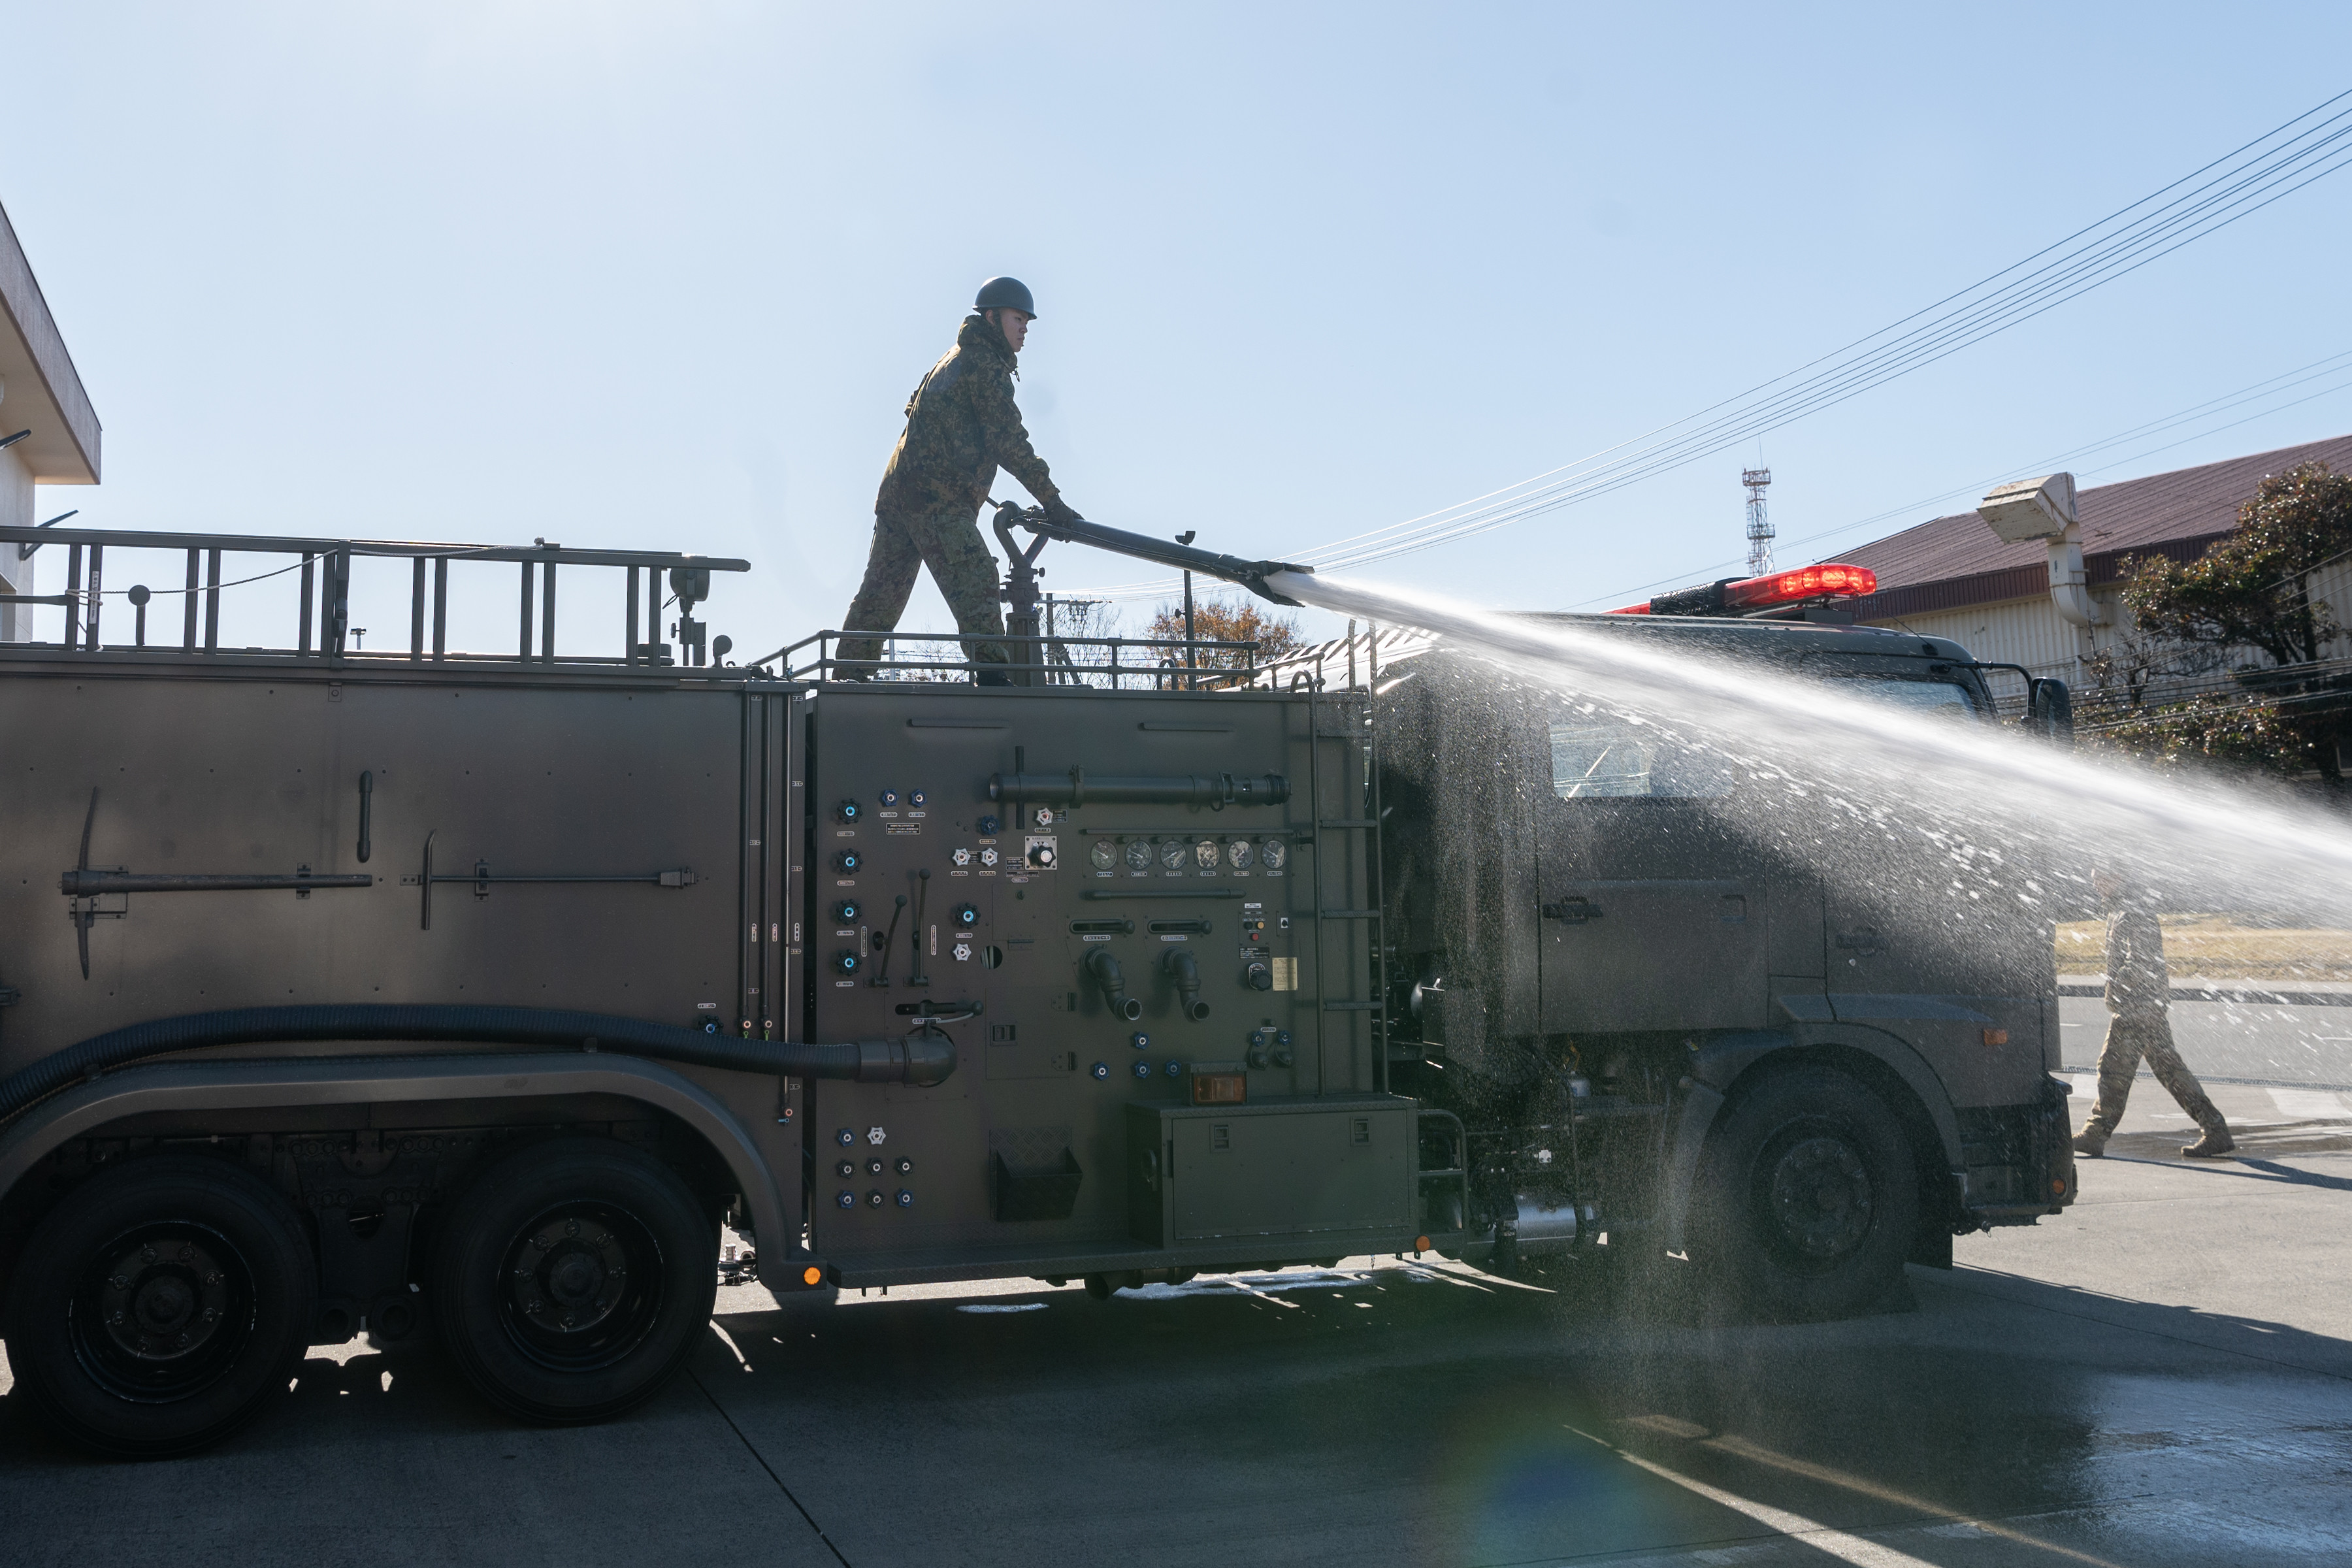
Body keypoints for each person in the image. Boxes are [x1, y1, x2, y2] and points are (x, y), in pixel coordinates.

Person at [836, 276, 1084, 682]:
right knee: (975, 573)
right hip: (935, 497)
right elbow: (1008, 440)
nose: (1024, 328)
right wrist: (1053, 501)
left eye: (1028, 321)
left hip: (902, 493)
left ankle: (848, 675)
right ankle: (991, 677)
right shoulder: (984, 363)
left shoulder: (955, 358)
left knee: (882, 593)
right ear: (992, 317)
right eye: (1018, 318)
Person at [2073, 867, 2234, 1160]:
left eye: (2100, 877)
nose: (2094, 883)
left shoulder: (2133, 911)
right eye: (2093, 877)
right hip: (2144, 1007)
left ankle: (2096, 1134)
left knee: (2112, 1070)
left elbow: (2141, 961)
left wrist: (2117, 987)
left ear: (2118, 877)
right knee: (2171, 1071)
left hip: (2138, 1007)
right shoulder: (2120, 910)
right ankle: (2215, 1129)